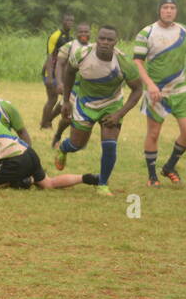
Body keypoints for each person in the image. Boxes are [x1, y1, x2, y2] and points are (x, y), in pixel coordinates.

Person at [133, 0, 186, 186]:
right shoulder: (146, 33)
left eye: (172, 8)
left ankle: (169, 167)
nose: (169, 11)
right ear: (159, 11)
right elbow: (138, 62)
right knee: (154, 134)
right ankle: (152, 176)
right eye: (165, 7)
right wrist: (150, 84)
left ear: (176, 11)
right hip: (156, 93)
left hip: (179, 91)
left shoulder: (185, 32)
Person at [53, 25, 143, 196]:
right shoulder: (82, 54)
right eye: (102, 38)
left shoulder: (123, 62)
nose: (105, 42)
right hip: (85, 104)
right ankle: (64, 148)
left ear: (116, 42)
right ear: (97, 39)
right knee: (76, 145)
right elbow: (69, 73)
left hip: (111, 105)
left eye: (109, 40)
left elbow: (138, 89)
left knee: (109, 145)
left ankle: (102, 183)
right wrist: (66, 101)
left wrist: (119, 114)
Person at [0, 105, 100, 190]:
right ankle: (85, 178)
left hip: (13, 159)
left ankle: (20, 181)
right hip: (29, 153)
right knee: (48, 184)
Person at [50, 22, 91, 147]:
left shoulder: (93, 47)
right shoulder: (70, 46)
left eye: (86, 32)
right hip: (72, 86)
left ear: (90, 33)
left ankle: (79, 141)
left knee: (84, 118)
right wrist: (60, 82)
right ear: (76, 33)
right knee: (67, 117)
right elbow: (60, 64)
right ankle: (57, 134)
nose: (83, 34)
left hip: (87, 89)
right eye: (81, 32)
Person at [40, 13, 74, 128]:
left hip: (61, 74)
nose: (69, 22)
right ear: (62, 21)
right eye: (67, 20)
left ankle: (47, 120)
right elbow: (49, 56)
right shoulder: (55, 36)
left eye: (71, 21)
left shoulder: (70, 37)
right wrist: (49, 77)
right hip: (50, 72)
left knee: (67, 98)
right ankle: (45, 124)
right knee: (52, 99)